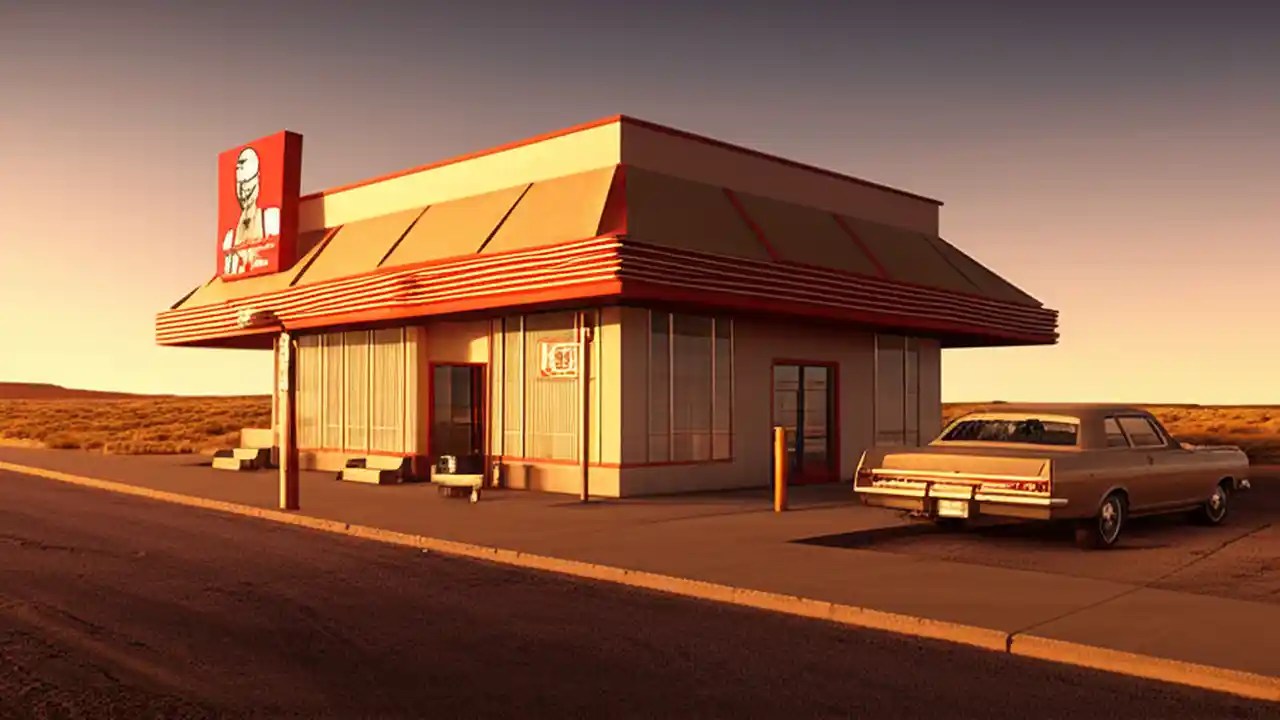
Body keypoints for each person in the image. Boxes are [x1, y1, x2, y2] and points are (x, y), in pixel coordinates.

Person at [222, 146, 281, 275]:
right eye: (240, 184)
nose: (244, 190)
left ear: (257, 179)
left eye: (248, 182)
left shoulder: (271, 220)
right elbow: (228, 273)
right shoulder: (230, 238)